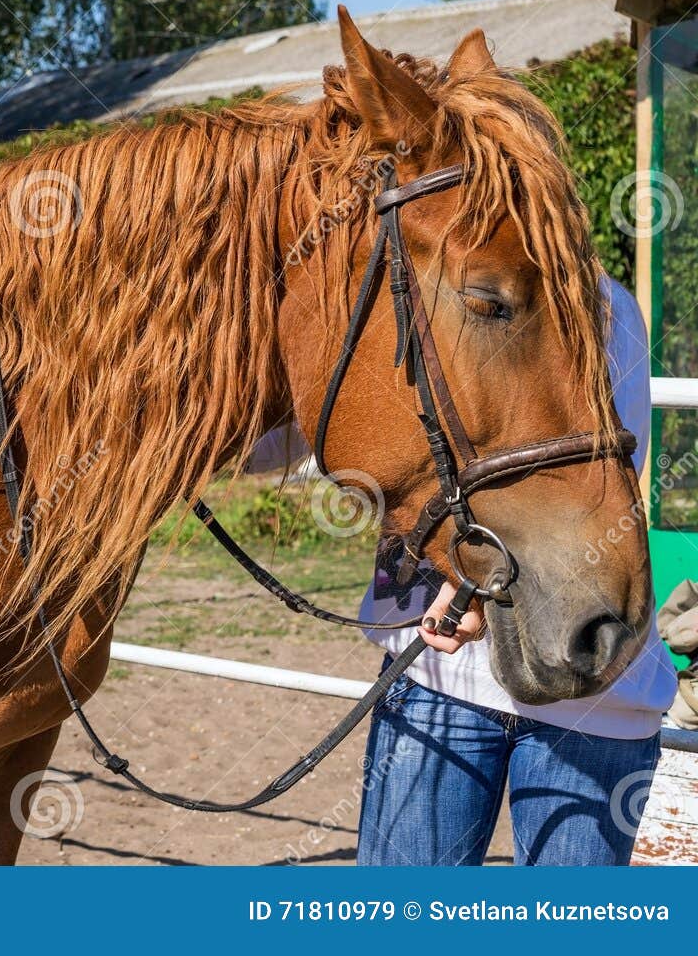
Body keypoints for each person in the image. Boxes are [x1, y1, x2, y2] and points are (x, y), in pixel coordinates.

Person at [249, 275, 678, 865]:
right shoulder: (407, 287)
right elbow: (298, 431)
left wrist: (474, 582)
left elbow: (598, 480)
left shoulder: (602, 303)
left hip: (583, 690)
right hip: (437, 675)